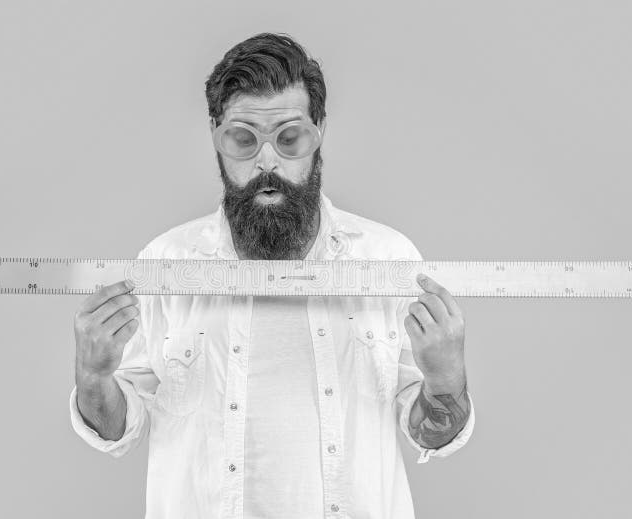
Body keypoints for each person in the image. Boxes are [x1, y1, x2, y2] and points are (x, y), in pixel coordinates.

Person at [70, 32, 474, 519]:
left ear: (318, 132)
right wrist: (94, 378)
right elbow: (119, 428)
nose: (267, 161)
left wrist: (446, 379)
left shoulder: (388, 260)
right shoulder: (165, 263)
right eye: (243, 139)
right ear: (217, 136)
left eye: (288, 138)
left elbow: (430, 431)